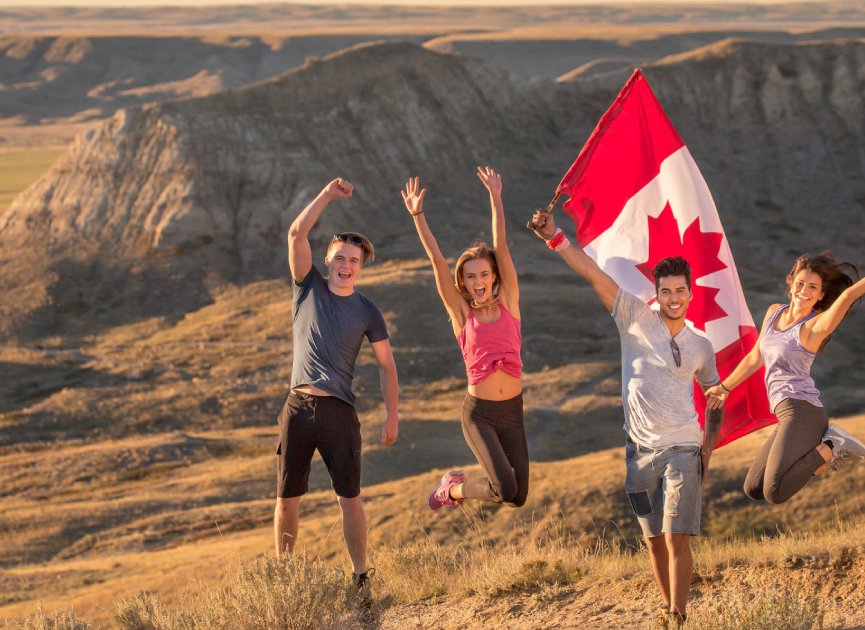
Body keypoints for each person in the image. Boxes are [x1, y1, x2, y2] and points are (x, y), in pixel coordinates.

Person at [529, 209, 723, 626]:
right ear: (656, 292)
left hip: (682, 449)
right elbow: (593, 275)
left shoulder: (702, 346)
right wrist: (555, 237)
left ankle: (678, 616)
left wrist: (708, 446)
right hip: (638, 454)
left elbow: (714, 396)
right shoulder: (634, 317)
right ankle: (667, 609)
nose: (673, 297)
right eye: (666, 290)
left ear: (691, 294)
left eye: (680, 291)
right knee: (653, 542)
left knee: (676, 538)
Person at [706, 253, 865, 505]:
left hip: (803, 411)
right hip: (786, 413)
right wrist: (724, 388)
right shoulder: (774, 312)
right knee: (754, 488)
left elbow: (847, 296)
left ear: (821, 295)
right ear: (791, 285)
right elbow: (755, 358)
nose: (804, 291)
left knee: (774, 492)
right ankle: (831, 450)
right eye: (800, 283)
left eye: (813, 287)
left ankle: (833, 446)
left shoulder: (815, 327)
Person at [276, 177, 400, 601]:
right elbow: (296, 233)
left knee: (350, 498)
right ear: (327, 258)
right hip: (297, 406)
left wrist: (392, 414)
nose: (347, 264)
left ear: (361, 268)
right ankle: (285, 580)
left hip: (339, 414)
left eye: (355, 260)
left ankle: (361, 577)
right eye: (341, 256)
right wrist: (327, 195)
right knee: (287, 497)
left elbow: (386, 366)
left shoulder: (368, 310)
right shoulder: (305, 287)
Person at [402, 168, 529, 511]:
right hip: (480, 415)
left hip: (513, 412)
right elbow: (436, 259)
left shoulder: (510, 303)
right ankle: (451, 490)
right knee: (503, 488)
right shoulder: (462, 315)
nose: (478, 281)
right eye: (471, 277)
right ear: (464, 282)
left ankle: (456, 488)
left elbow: (500, 245)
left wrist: (496, 197)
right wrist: (418, 215)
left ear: (493, 277)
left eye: (484, 274)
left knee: (517, 496)